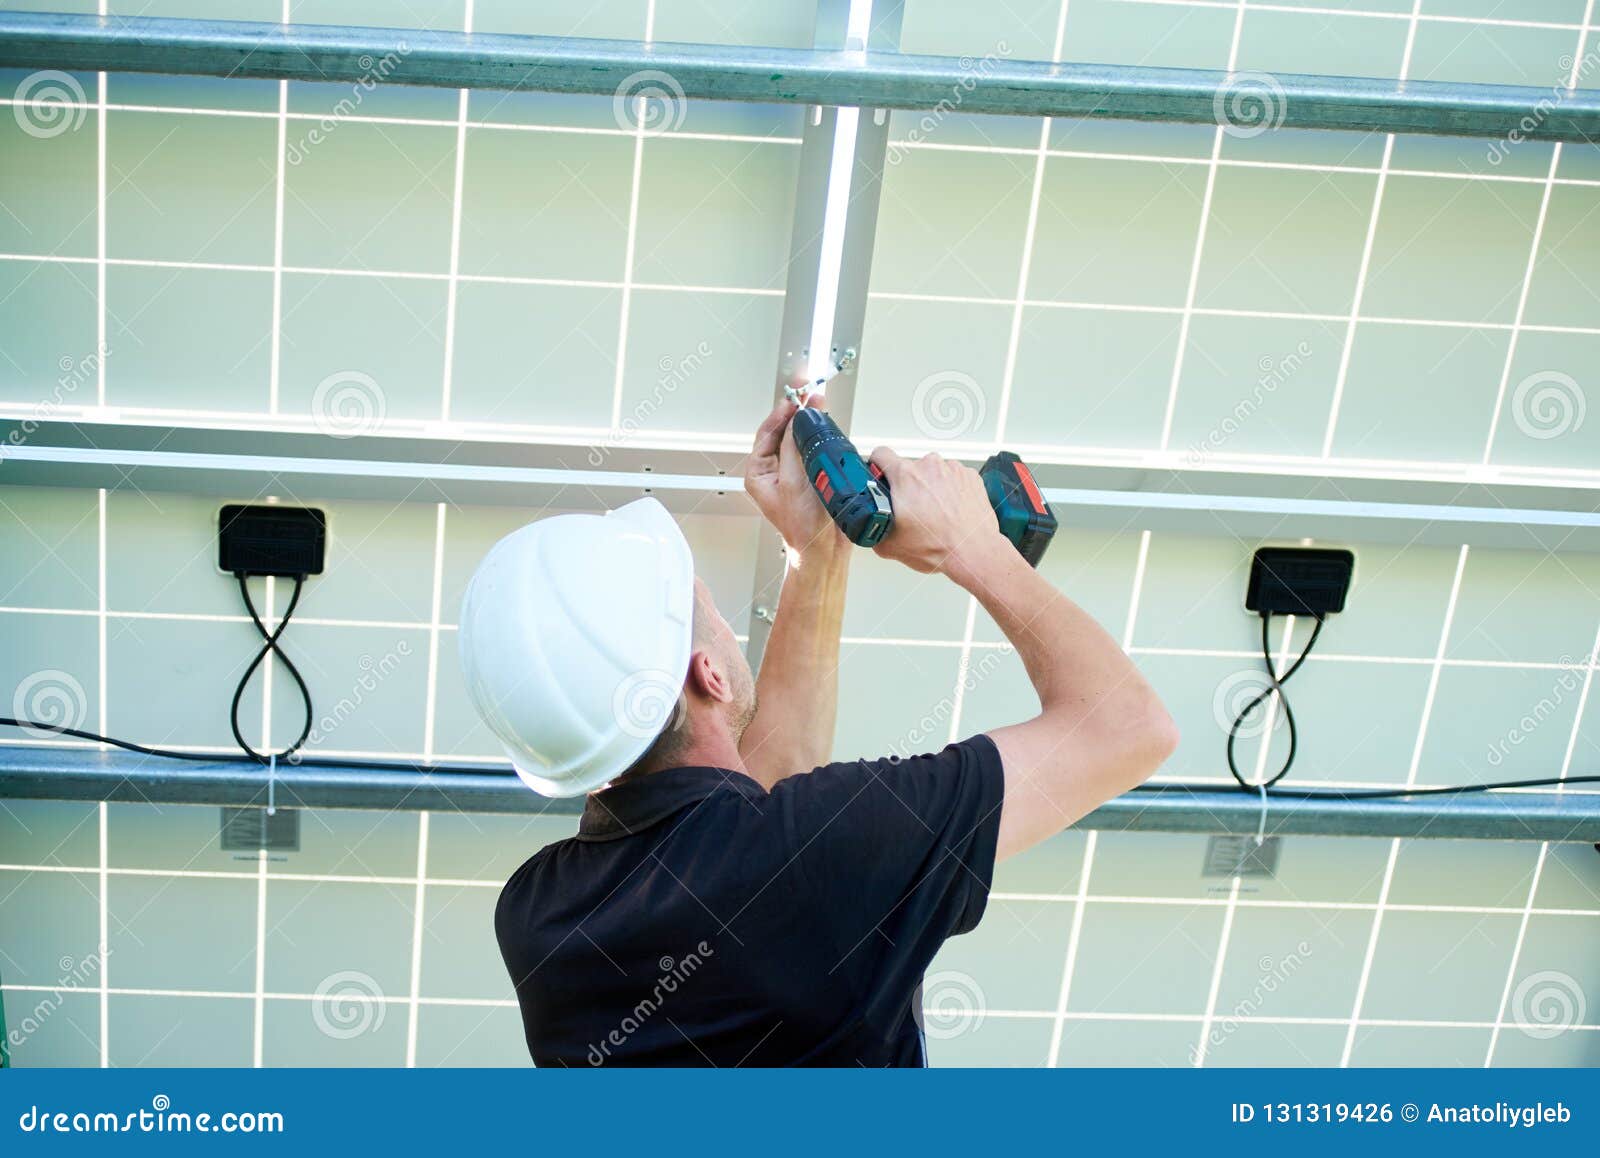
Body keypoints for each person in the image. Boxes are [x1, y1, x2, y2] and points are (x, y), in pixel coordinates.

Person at [458, 396, 1178, 1066]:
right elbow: (1127, 727)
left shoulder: (539, 920)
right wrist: (971, 545)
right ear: (707, 672)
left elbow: (749, 829)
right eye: (704, 603)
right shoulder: (834, 843)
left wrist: (819, 547)